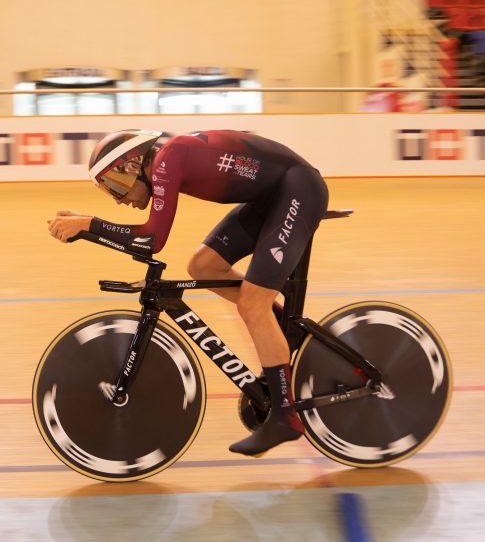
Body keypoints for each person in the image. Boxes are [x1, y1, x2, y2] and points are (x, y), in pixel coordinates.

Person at [46, 129, 331, 456]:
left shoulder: (167, 159)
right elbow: (148, 239)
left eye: (116, 185)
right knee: (203, 267)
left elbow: (152, 240)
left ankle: (284, 418)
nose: (119, 199)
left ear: (134, 165)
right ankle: (284, 330)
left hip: (298, 191)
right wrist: (88, 226)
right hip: (272, 198)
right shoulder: (168, 157)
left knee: (254, 305)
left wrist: (89, 225)